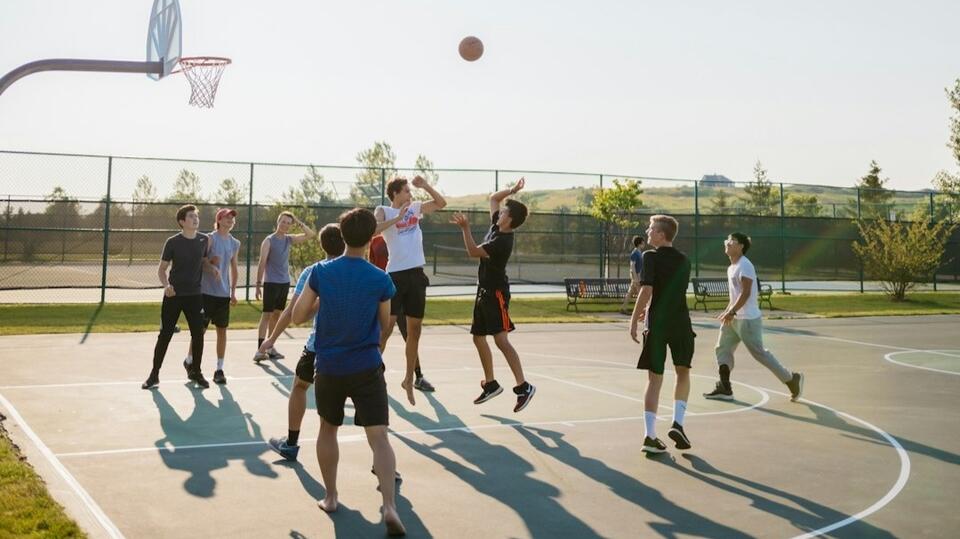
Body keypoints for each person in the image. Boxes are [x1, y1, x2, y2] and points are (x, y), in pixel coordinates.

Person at [291, 208, 408, 536]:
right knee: (379, 436)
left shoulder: (320, 272)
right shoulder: (380, 278)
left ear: (342, 235)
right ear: (372, 237)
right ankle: (389, 505)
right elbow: (384, 324)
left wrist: (320, 303)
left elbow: (299, 316)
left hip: (329, 365)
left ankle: (330, 496)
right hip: (367, 365)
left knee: (328, 428)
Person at [450, 178, 536, 412]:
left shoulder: (502, 241)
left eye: (504, 211)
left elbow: (472, 252)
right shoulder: (496, 226)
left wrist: (466, 228)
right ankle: (491, 384)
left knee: (501, 340)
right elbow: (494, 198)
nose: (499, 212)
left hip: (496, 294)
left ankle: (523, 386)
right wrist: (514, 190)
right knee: (478, 337)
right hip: (483, 291)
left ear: (509, 219)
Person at [259, 224, 344, 460]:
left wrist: (271, 338)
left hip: (320, 346)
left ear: (321, 245)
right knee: (368, 411)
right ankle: (384, 462)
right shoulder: (364, 270)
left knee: (299, 387)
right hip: (356, 350)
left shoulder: (314, 271)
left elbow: (292, 312)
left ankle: (292, 443)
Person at [703, 232, 804, 402]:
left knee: (759, 354)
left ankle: (791, 379)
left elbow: (746, 292)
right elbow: (734, 296)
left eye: (732, 241)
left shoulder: (745, 265)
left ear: (741, 246)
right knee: (722, 349)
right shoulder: (731, 267)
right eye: (727, 240)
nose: (727, 243)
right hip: (733, 318)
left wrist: (732, 311)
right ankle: (725, 387)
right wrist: (728, 310)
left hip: (748, 319)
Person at [629, 215, 695, 453]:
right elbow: (671, 292)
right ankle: (678, 422)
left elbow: (647, 290)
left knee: (655, 379)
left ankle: (650, 435)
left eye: (651, 228)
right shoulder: (685, 260)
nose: (647, 231)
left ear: (661, 234)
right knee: (683, 372)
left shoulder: (650, 256)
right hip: (680, 323)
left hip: (658, 324)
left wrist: (633, 320)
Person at [374, 175, 447, 394]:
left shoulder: (416, 208)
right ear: (395, 193)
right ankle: (371, 372)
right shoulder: (383, 210)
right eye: (406, 190)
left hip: (416, 275)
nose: (410, 194)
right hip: (395, 276)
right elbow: (374, 229)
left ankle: (410, 378)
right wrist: (398, 218)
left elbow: (441, 203)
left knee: (414, 331)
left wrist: (425, 185)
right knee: (385, 330)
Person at [142, 204, 214, 390]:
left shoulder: (204, 240)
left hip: (195, 296)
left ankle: (196, 372)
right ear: (182, 222)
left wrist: (212, 268)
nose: (195, 219)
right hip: (174, 296)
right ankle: (154, 374)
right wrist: (167, 286)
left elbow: (203, 263)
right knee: (165, 335)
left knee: (198, 335)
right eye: (191, 216)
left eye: (196, 216)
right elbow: (161, 270)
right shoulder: (172, 242)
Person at [183, 208, 240, 385]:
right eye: (227, 217)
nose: (230, 220)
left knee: (222, 331)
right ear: (219, 220)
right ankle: (190, 360)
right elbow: (200, 260)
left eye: (232, 218)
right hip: (206, 293)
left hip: (223, 295)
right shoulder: (209, 239)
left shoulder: (234, 243)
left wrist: (233, 292)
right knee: (200, 331)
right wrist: (211, 265)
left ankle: (219, 369)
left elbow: (234, 268)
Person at [254, 211, 316, 361]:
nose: (285, 225)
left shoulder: (289, 240)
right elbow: (262, 262)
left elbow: (310, 235)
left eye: (289, 223)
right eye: (283, 222)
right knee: (267, 315)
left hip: (284, 283)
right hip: (271, 283)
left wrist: (298, 221)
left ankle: (270, 346)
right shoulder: (269, 240)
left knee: (277, 314)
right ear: (278, 222)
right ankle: (260, 349)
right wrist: (258, 284)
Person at [621, 235, 646, 314]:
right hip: (636, 276)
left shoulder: (639, 253)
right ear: (639, 244)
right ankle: (641, 311)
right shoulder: (635, 253)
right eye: (643, 243)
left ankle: (623, 308)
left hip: (638, 276)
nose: (644, 244)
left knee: (631, 293)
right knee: (640, 294)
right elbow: (632, 266)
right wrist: (635, 278)